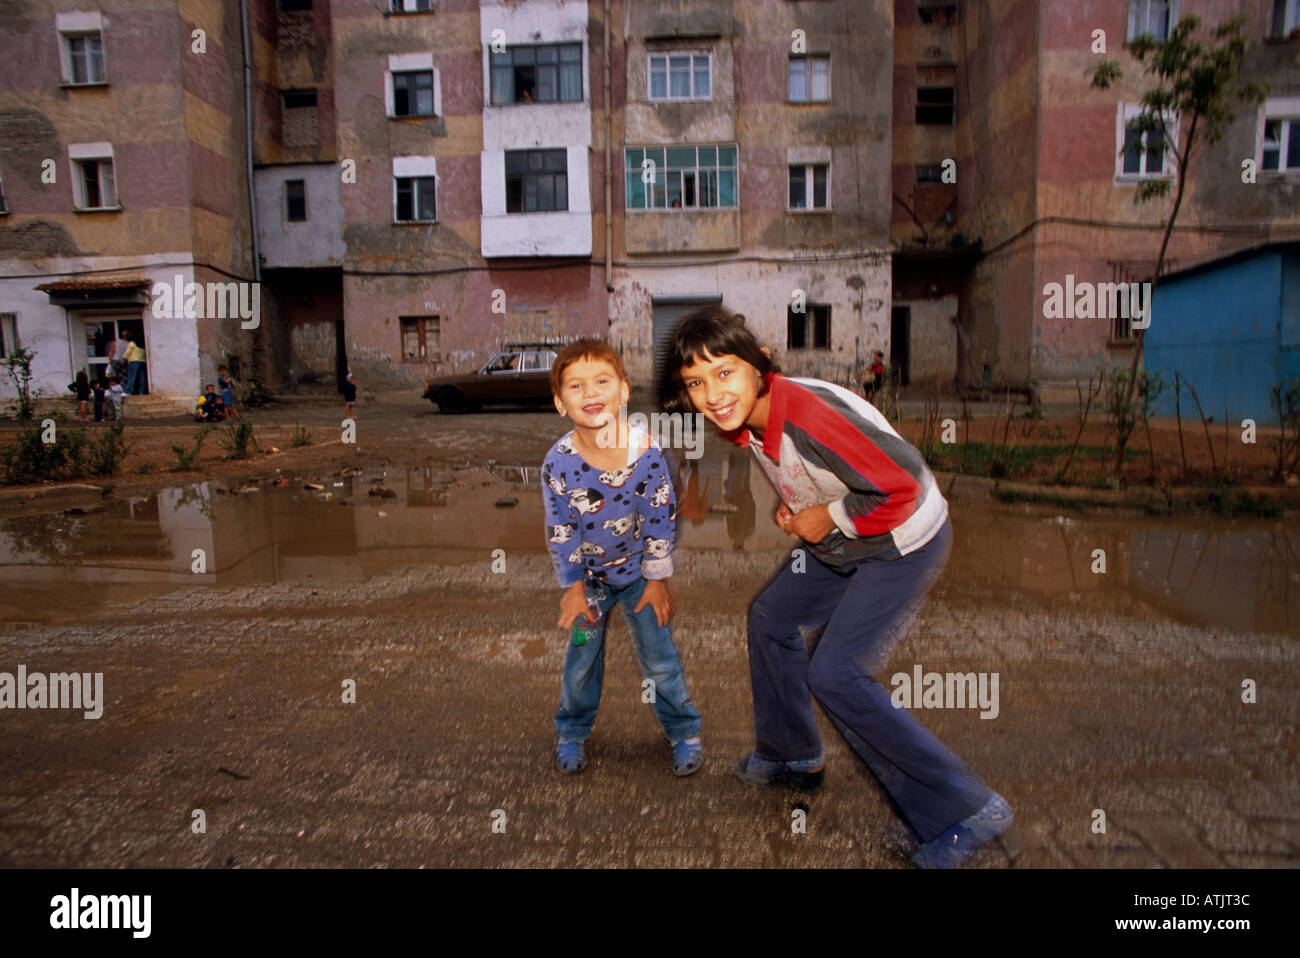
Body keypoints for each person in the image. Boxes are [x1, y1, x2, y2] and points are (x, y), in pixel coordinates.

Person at [663, 306, 1011, 869]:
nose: (711, 394)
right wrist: (799, 507)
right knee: (770, 618)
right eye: (696, 383)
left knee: (835, 673)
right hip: (844, 542)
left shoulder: (807, 413)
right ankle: (793, 755)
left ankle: (965, 810)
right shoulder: (748, 417)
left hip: (903, 541)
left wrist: (830, 517)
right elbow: (817, 472)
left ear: (761, 365)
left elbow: (903, 486)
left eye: (724, 373)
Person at [541, 338, 703, 777]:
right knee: (581, 662)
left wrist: (657, 581)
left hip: (638, 578)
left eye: (601, 381)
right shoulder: (557, 463)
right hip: (589, 584)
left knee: (659, 658)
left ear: (624, 390)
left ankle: (684, 729)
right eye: (576, 385)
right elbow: (561, 530)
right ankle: (572, 732)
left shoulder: (648, 453)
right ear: (560, 402)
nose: (590, 393)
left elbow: (659, 519)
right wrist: (573, 589)